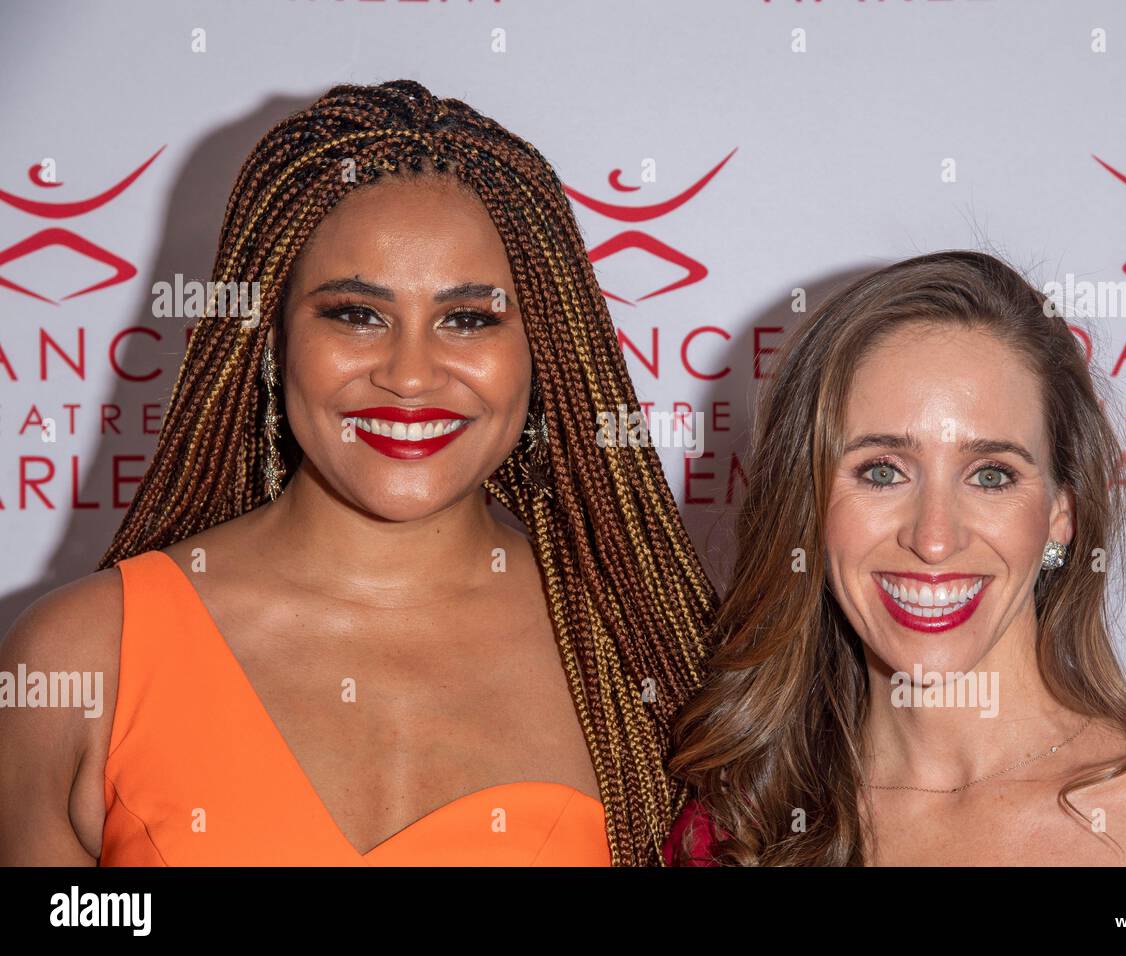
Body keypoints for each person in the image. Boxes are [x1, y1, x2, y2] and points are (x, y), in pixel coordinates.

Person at [0, 80, 716, 866]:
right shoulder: (78, 658)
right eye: (355, 314)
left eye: (469, 319)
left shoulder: (652, 654)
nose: (410, 376)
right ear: (270, 339)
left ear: (543, 349)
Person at [664, 250, 1126, 866]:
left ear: (1062, 511)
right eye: (881, 471)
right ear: (806, 506)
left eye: (991, 475)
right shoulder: (738, 831)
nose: (934, 539)